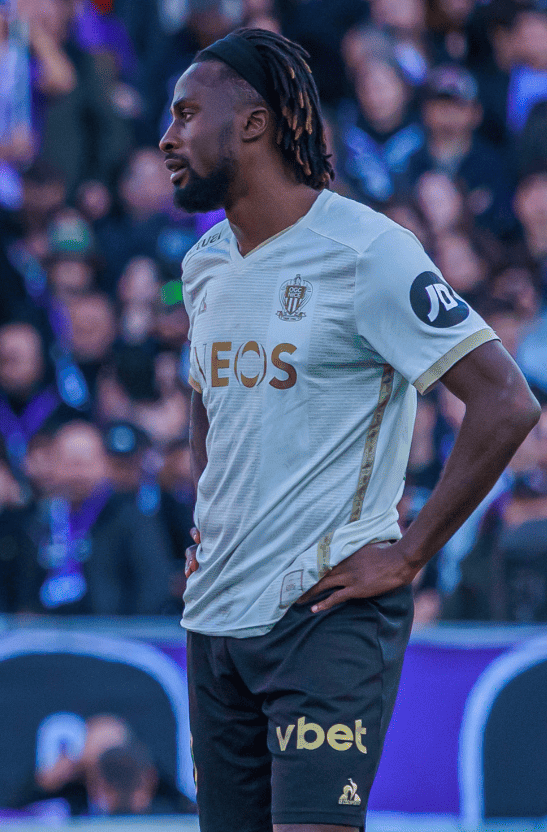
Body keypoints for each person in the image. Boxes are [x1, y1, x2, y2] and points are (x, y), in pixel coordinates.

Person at [162, 27, 540, 832]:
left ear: (255, 123)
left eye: (187, 115)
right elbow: (209, 406)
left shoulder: (369, 251)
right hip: (216, 618)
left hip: (325, 615)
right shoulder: (204, 265)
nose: (168, 139)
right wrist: (210, 519)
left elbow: (506, 402)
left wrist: (408, 554)